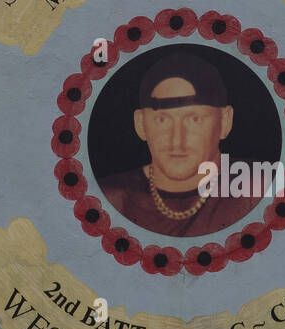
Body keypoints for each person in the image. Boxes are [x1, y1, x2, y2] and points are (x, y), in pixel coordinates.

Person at [97, 50, 261, 237]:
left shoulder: (258, 191)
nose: (177, 140)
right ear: (141, 124)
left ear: (225, 122)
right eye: (162, 120)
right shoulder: (104, 200)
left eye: (195, 119)